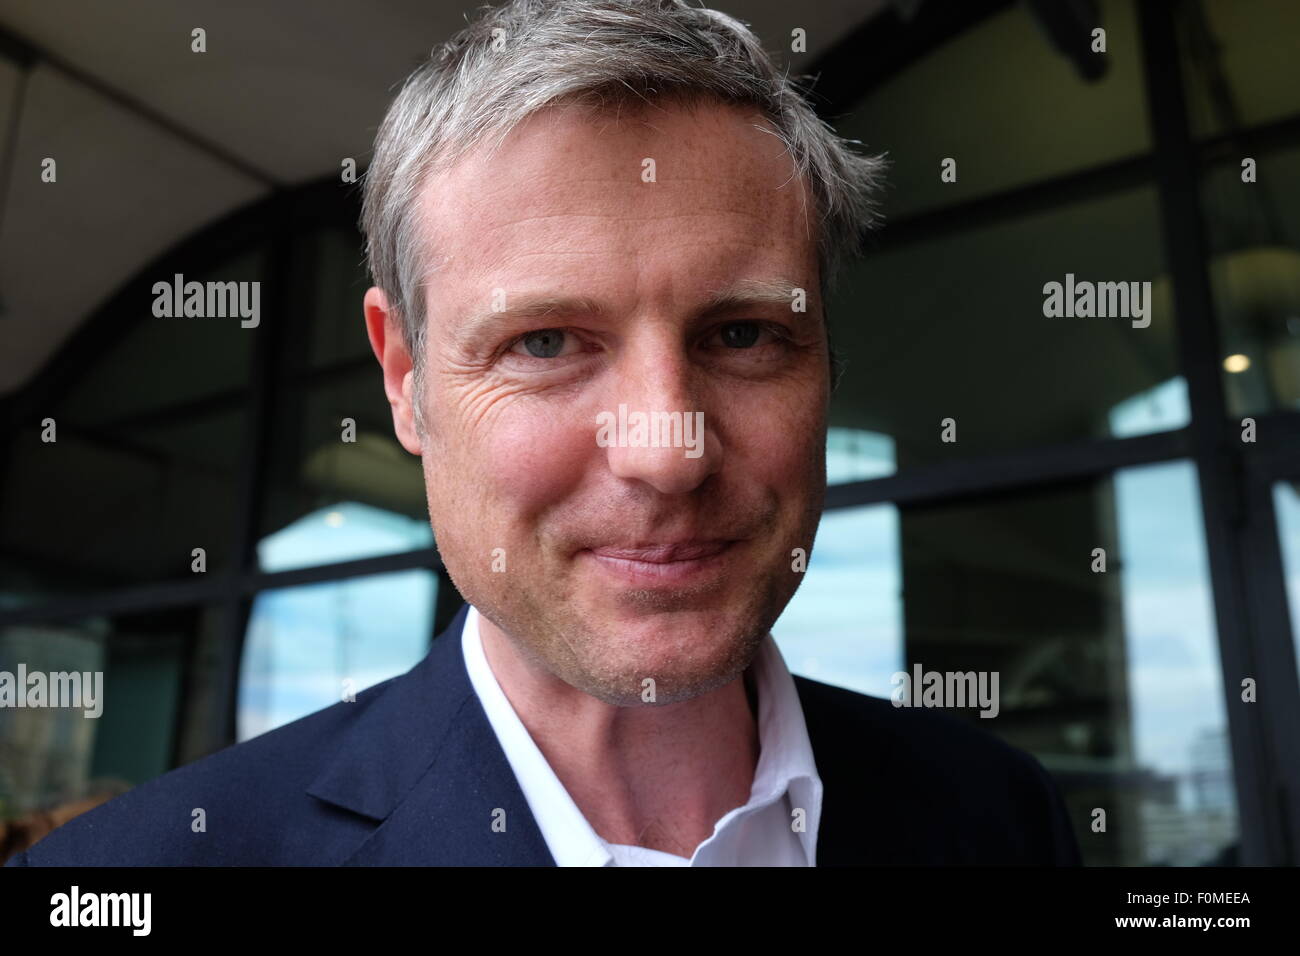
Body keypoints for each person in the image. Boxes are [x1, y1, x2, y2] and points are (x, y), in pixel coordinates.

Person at [9, 0, 1079, 866]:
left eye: (744, 332)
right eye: (546, 341)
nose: (666, 450)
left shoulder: (995, 815)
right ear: (406, 374)